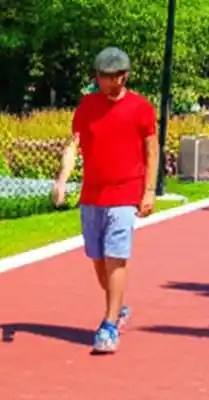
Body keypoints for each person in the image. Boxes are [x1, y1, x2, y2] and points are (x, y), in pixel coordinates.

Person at [53, 47, 159, 354]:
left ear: (122, 76)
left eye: (108, 77)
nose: (102, 81)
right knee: (98, 261)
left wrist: (148, 191)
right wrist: (61, 180)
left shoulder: (141, 107)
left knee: (116, 257)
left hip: (125, 194)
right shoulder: (87, 106)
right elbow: (74, 145)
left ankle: (109, 325)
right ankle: (120, 306)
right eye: (99, 76)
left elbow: (152, 150)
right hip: (92, 195)